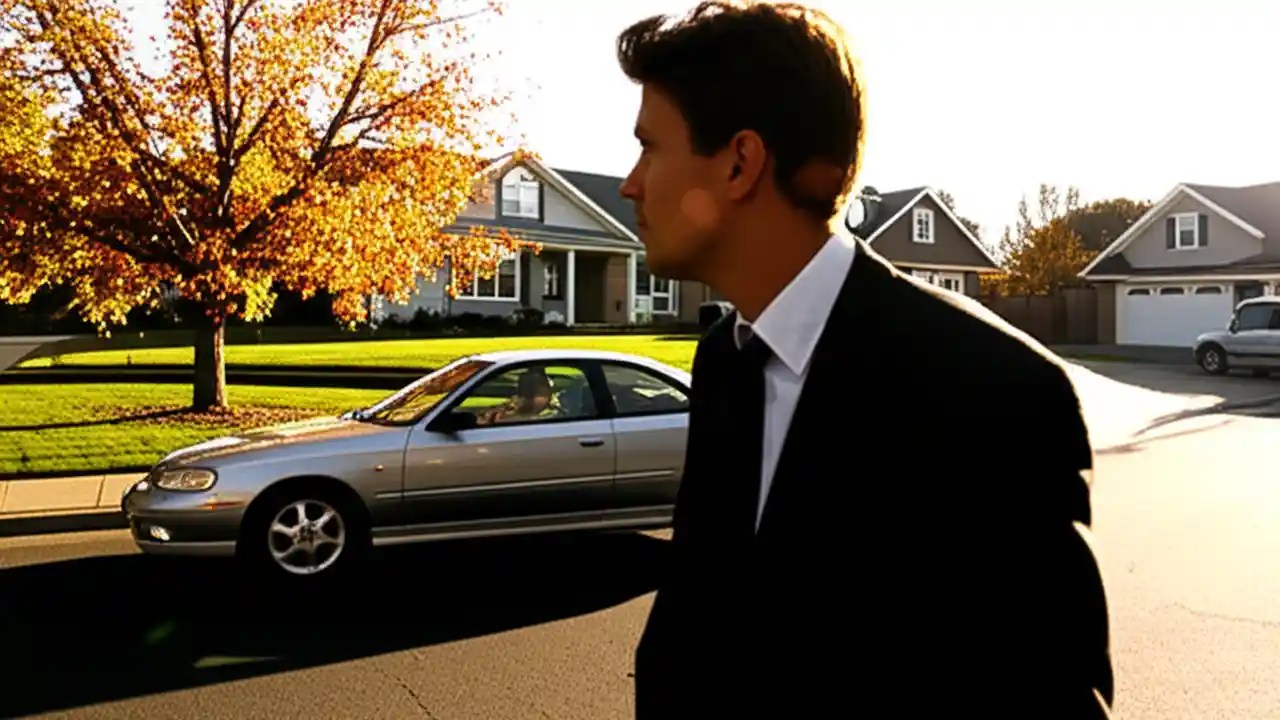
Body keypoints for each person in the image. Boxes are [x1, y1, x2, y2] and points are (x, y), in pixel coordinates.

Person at [615, 2, 1114, 717]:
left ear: (739, 163)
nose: (631, 183)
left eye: (649, 147)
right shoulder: (725, 366)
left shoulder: (995, 393)